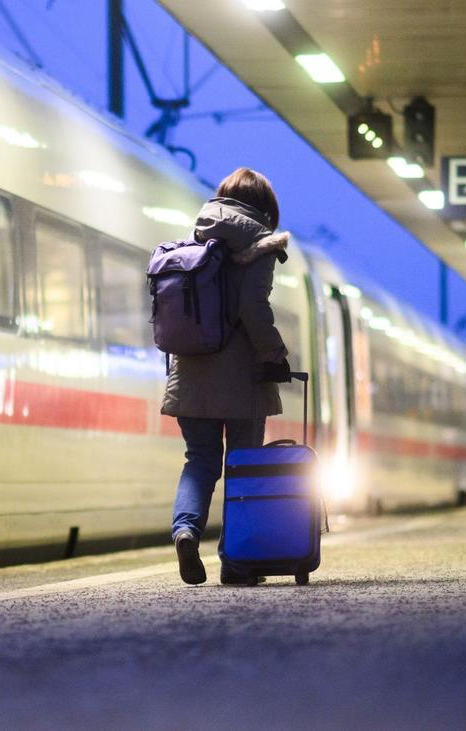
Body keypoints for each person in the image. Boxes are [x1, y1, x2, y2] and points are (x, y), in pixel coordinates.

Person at [162, 168, 291, 586]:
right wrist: (275, 355)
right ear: (265, 208)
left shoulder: (197, 239)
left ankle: (185, 530)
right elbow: (254, 311)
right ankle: (236, 563)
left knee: (199, 461)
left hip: (192, 371)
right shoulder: (260, 245)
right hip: (242, 378)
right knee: (243, 468)